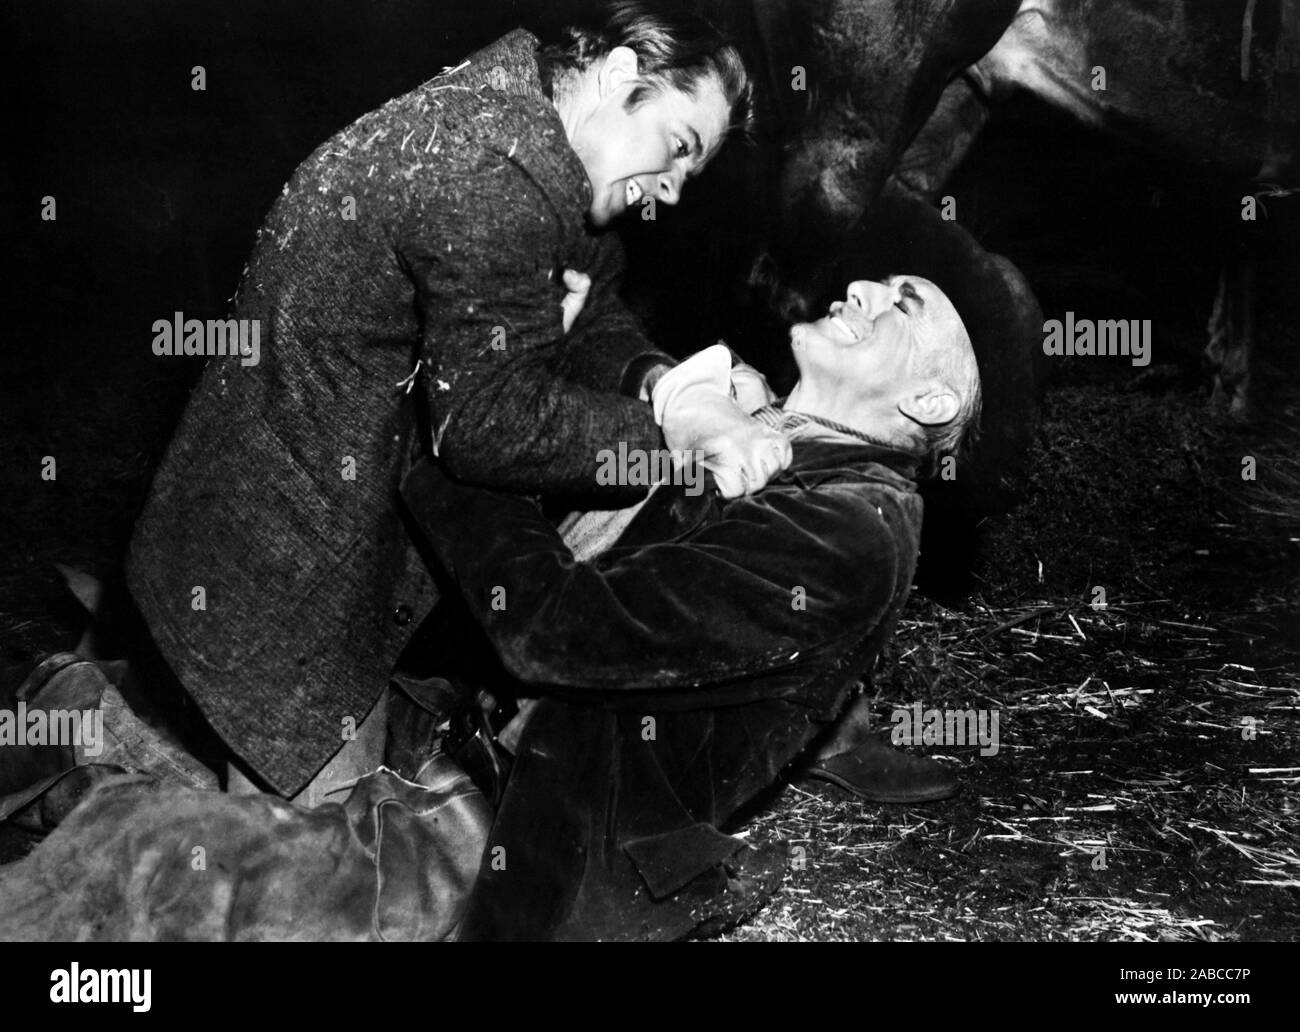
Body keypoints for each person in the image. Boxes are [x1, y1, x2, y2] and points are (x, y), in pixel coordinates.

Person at [121, 2, 792, 800]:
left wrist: (665, 385)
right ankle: (96, 750)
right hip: (281, 568)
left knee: (325, 831)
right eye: (679, 148)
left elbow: (595, 305)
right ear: (619, 76)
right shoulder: (492, 178)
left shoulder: (536, 121)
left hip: (307, 511)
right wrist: (678, 435)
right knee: (322, 881)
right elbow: (488, 424)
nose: (675, 191)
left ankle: (119, 742)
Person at [399, 274, 983, 940]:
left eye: (900, 306)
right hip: (442, 734)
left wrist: (458, 437)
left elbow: (559, 631)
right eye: (875, 281)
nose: (857, 287)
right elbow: (608, 366)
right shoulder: (767, 436)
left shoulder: (849, 530)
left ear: (928, 401)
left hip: (520, 840)